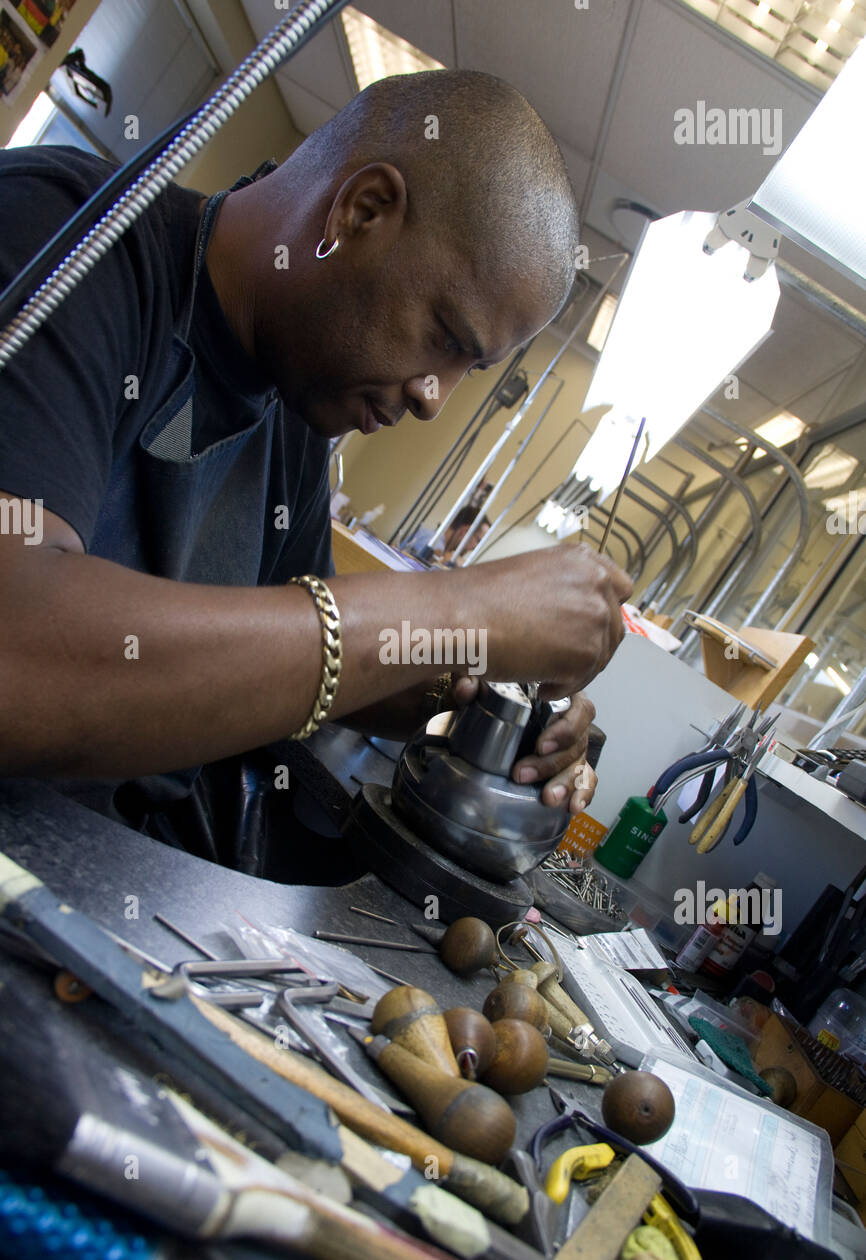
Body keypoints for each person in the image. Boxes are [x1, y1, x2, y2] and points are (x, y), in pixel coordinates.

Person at [0, 68, 631, 879]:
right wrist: (457, 604)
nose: (435, 397)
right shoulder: (68, 236)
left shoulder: (294, 414)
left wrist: (482, 695)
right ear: (361, 209)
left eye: (470, 368)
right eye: (446, 336)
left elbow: (301, 669)